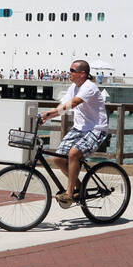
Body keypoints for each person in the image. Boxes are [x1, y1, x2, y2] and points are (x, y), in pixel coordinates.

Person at [39, 60, 108, 208]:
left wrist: (50, 113)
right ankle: (80, 188)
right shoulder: (73, 87)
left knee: (73, 154)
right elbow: (64, 105)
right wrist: (48, 117)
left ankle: (69, 193)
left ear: (82, 74)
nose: (69, 73)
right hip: (79, 129)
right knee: (58, 159)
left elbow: (75, 103)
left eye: (72, 70)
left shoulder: (89, 87)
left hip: (96, 129)